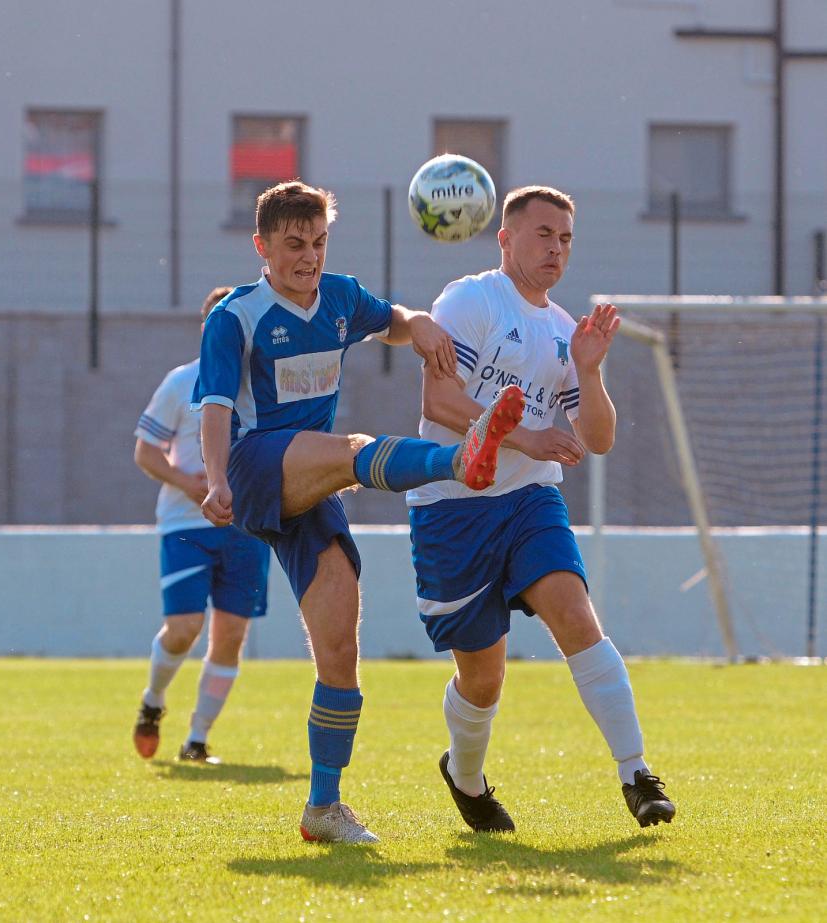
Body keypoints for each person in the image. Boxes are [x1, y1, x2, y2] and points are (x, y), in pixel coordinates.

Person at [192, 180, 522, 844]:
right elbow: (216, 407)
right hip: (256, 466)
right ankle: (457, 460)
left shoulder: (340, 297)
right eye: (294, 244)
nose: (309, 256)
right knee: (352, 450)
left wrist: (418, 323)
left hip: (311, 487)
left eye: (318, 242)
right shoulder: (234, 316)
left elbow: (390, 319)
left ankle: (323, 808)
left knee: (340, 651)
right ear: (261, 246)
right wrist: (216, 478)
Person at [407, 185, 676, 832]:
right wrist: (524, 434)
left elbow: (599, 439)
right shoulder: (471, 300)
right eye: (543, 234)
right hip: (452, 507)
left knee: (577, 619)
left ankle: (635, 772)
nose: (556, 248)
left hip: (530, 500)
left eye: (566, 238)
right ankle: (465, 776)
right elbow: (439, 401)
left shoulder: (563, 331)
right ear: (505, 239)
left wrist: (589, 370)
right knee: (483, 679)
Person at [132, 287, 271, 765]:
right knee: (184, 628)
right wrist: (187, 483)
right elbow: (145, 452)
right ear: (207, 328)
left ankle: (197, 739)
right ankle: (153, 700)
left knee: (230, 636)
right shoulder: (181, 382)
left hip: (247, 527)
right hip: (185, 525)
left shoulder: (264, 386)